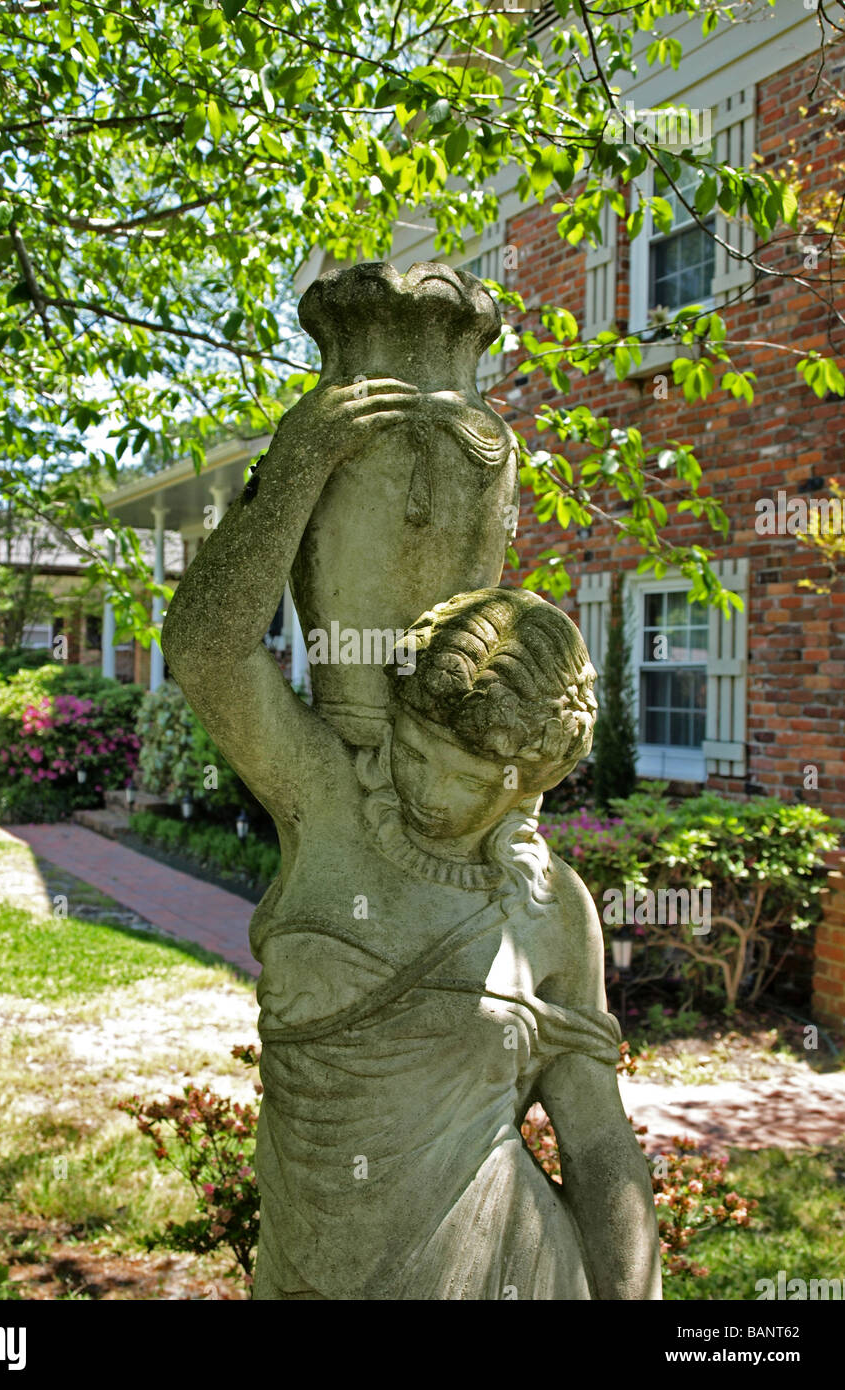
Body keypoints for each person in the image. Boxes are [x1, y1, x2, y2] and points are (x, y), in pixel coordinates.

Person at [162, 380, 661, 1300]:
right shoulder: (326, 802)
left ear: (528, 781)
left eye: (469, 778)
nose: (429, 789)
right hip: (306, 1259)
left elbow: (595, 1142)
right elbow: (207, 652)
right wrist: (293, 472)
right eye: (416, 751)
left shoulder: (549, 911)